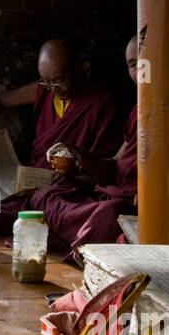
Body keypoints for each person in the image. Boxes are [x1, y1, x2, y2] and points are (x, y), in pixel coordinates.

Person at [0, 37, 124, 236]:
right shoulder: (45, 90)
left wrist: (75, 176)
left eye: (58, 80)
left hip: (68, 189)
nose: (52, 89)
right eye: (46, 82)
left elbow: (108, 171)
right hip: (32, 182)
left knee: (48, 201)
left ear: (80, 68)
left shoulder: (100, 103)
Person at [26, 35, 139, 260]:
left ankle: (85, 245)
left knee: (111, 214)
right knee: (44, 197)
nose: (138, 70)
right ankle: (87, 239)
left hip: (132, 202)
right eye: (132, 64)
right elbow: (114, 168)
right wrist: (82, 158)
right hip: (108, 194)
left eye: (143, 62)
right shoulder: (140, 109)